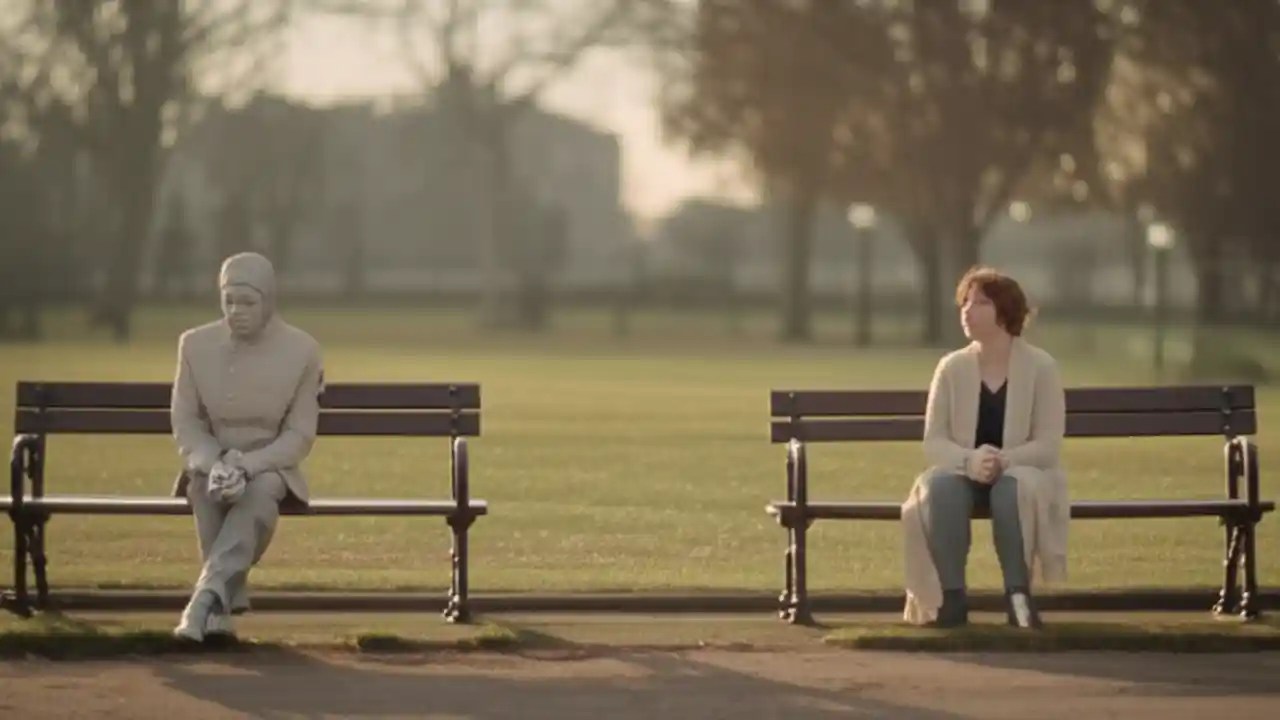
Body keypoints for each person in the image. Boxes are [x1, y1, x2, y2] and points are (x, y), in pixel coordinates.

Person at [901, 267, 1067, 628]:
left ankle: (1018, 597)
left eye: (980, 302)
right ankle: (950, 598)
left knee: (1012, 489)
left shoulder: (1042, 367)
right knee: (939, 487)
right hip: (963, 473)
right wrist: (969, 460)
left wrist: (1004, 460)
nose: (967, 310)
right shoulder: (950, 367)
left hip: (1023, 474)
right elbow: (934, 441)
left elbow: (1048, 445)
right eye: (965, 302)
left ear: (1006, 311)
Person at [169, 252, 323, 641]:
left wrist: (248, 465)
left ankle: (202, 600)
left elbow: (300, 434)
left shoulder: (302, 350)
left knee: (256, 496)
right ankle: (221, 605)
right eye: (229, 300)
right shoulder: (193, 345)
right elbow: (186, 422)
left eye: (248, 302)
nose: (237, 311)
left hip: (271, 468)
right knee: (206, 491)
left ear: (268, 302)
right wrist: (215, 462)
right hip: (211, 463)